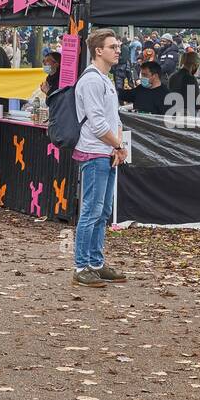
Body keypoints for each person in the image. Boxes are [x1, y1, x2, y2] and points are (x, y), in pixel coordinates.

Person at [71, 29, 129, 288]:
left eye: (117, 46)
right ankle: (81, 265)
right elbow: (96, 123)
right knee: (91, 211)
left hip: (106, 151)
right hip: (94, 151)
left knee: (103, 210)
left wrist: (118, 146)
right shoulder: (92, 80)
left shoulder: (105, 79)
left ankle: (95, 262)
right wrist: (118, 144)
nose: (118, 50)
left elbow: (113, 118)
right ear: (98, 51)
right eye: (113, 46)